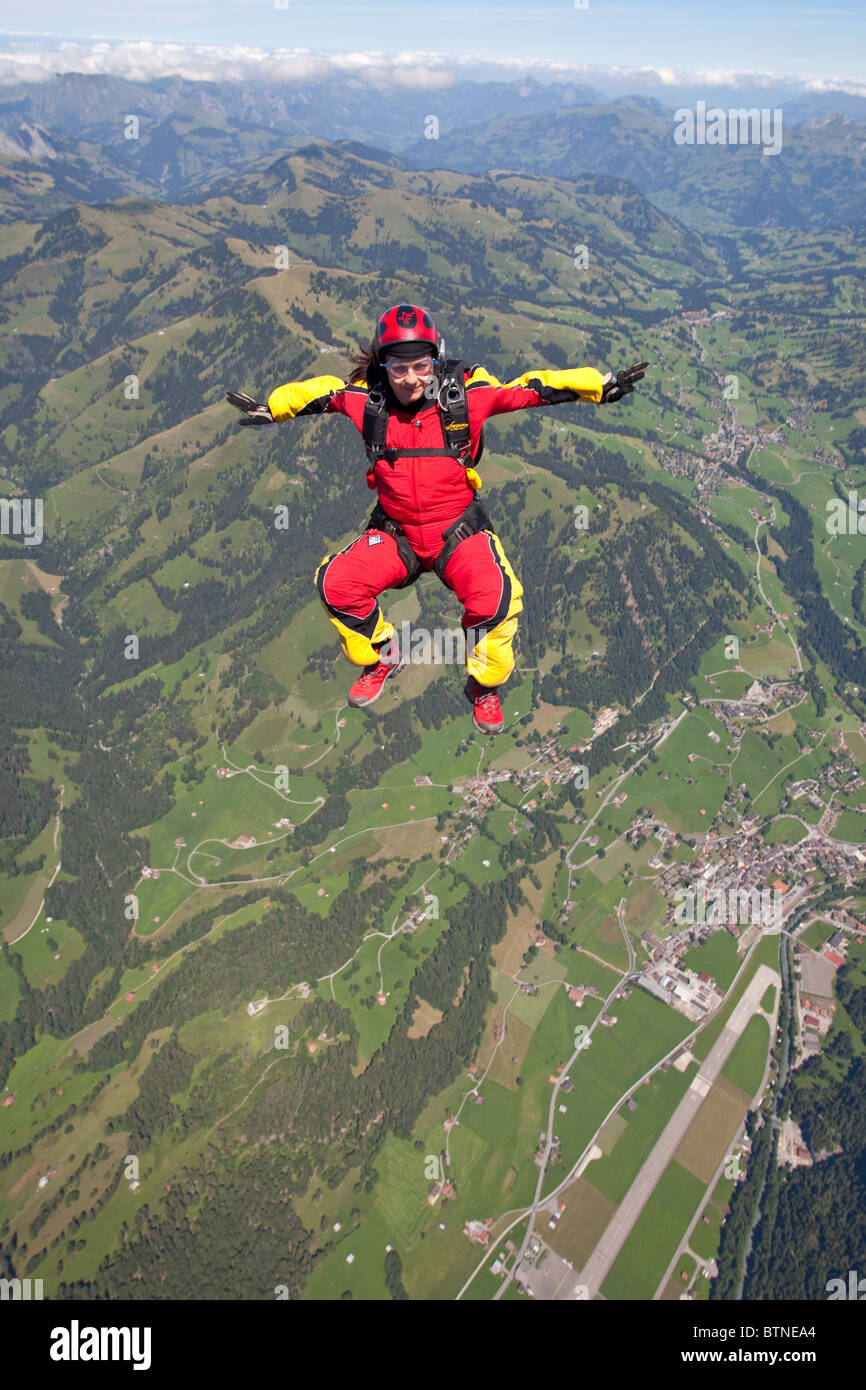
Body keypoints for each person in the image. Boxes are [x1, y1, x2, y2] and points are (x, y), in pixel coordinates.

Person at [227, 303, 648, 735]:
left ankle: (483, 689)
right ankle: (382, 655)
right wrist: (272, 409)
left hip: (457, 534)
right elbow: (324, 393)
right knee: (335, 585)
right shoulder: (367, 402)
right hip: (398, 536)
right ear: (382, 364)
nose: (411, 379)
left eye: (422, 366)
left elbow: (532, 388)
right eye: (398, 367)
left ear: (436, 359)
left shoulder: (465, 399)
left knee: (496, 600)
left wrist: (601, 385)